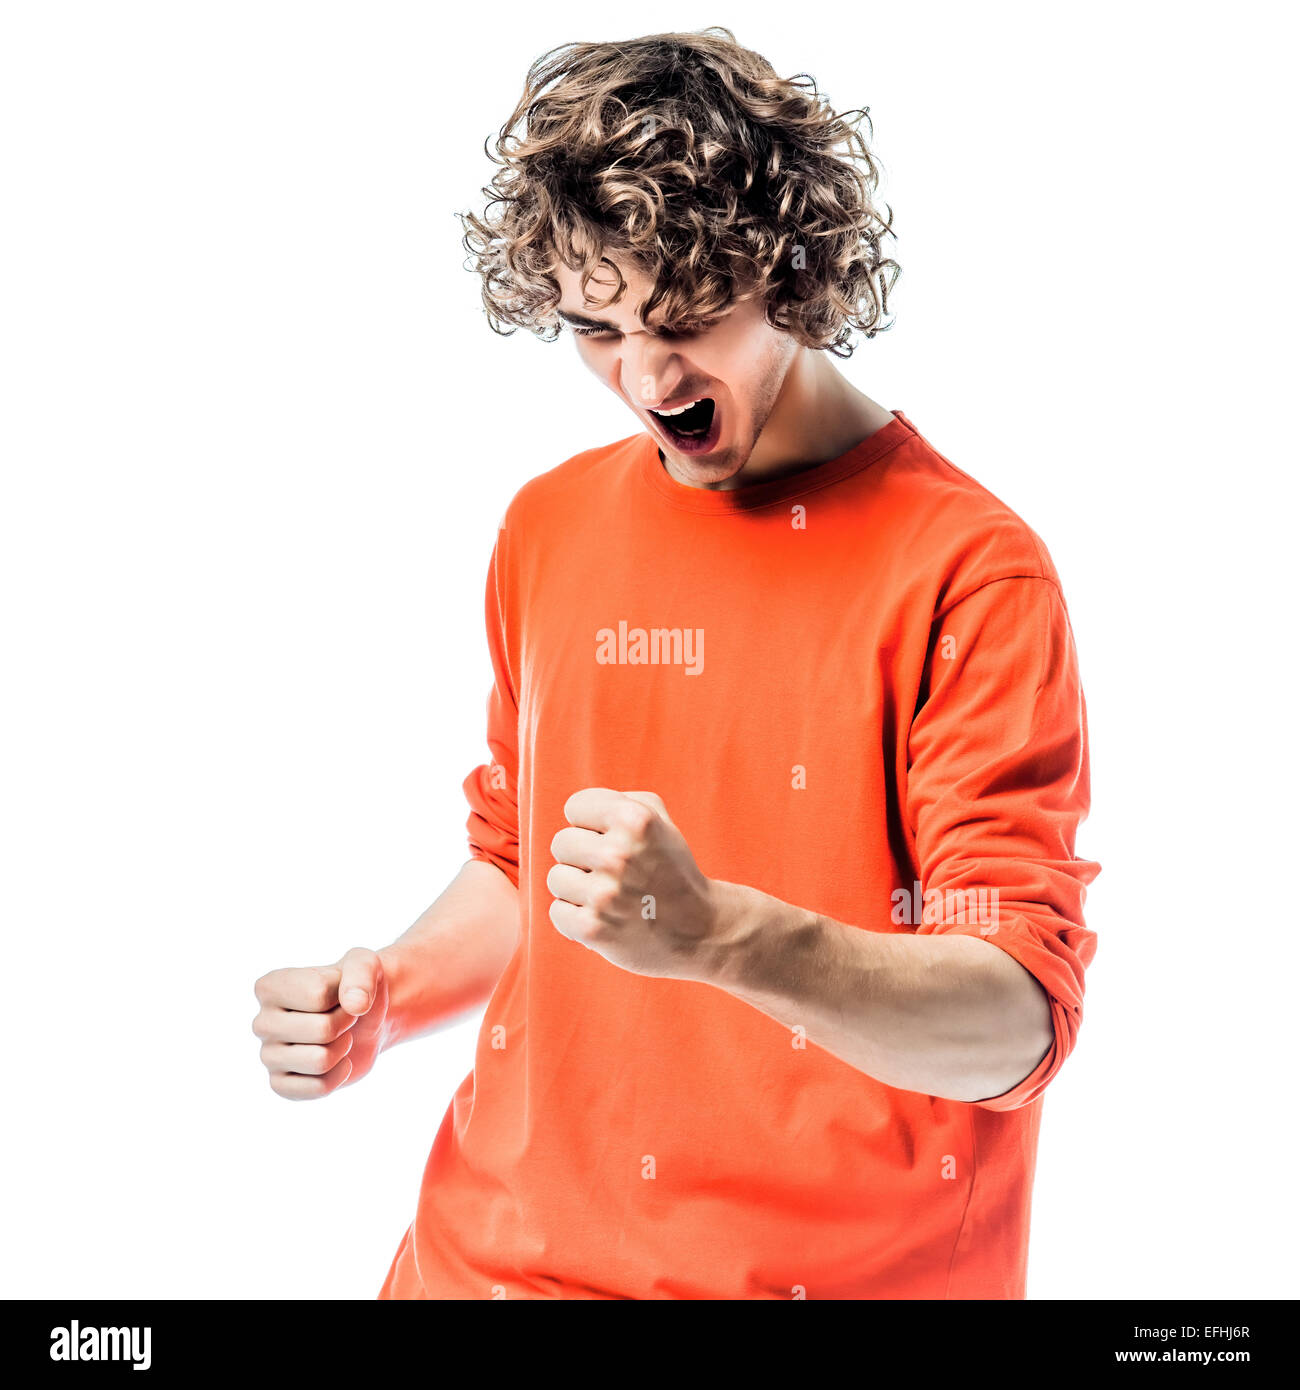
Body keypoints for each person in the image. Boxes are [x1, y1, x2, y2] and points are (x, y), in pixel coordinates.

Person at [251, 26, 1100, 1300]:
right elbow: (523, 859)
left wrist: (719, 938)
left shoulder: (969, 573)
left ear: (794, 276)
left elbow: (1013, 1019)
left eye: (688, 316)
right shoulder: (546, 524)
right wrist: (389, 987)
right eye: (597, 327)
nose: (648, 379)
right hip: (480, 1268)